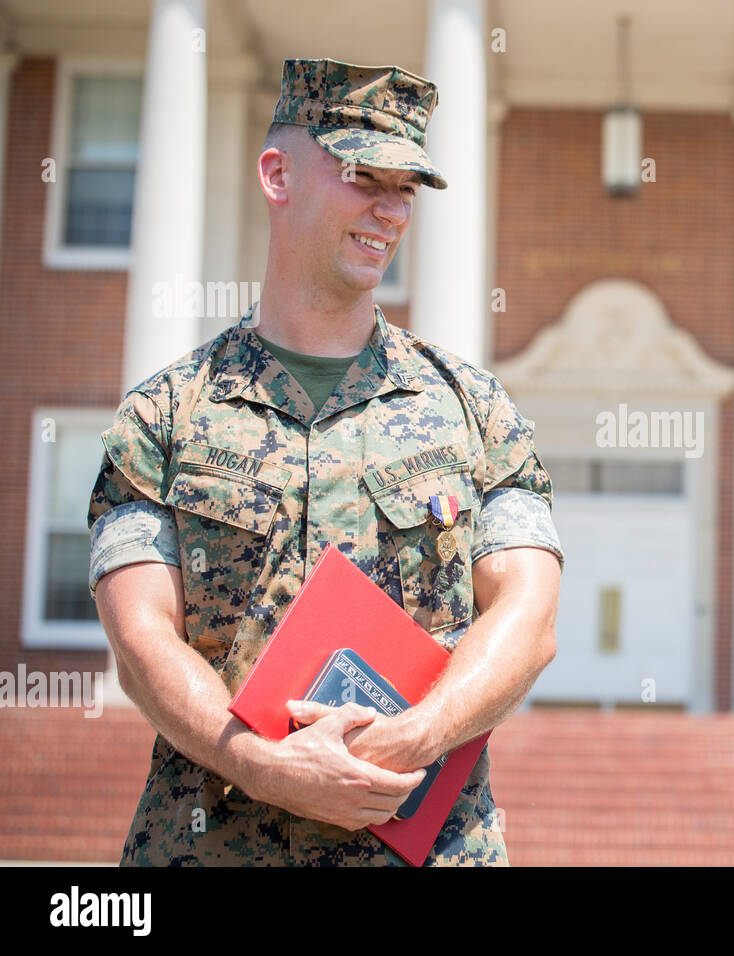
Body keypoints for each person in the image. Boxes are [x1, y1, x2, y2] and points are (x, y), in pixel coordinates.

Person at [86, 58, 563, 866]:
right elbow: (141, 639)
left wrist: (418, 734)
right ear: (277, 174)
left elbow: (529, 614)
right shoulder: (164, 416)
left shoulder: (474, 409)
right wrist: (261, 765)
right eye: (361, 175)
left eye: (405, 188)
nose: (389, 209)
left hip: (429, 847)